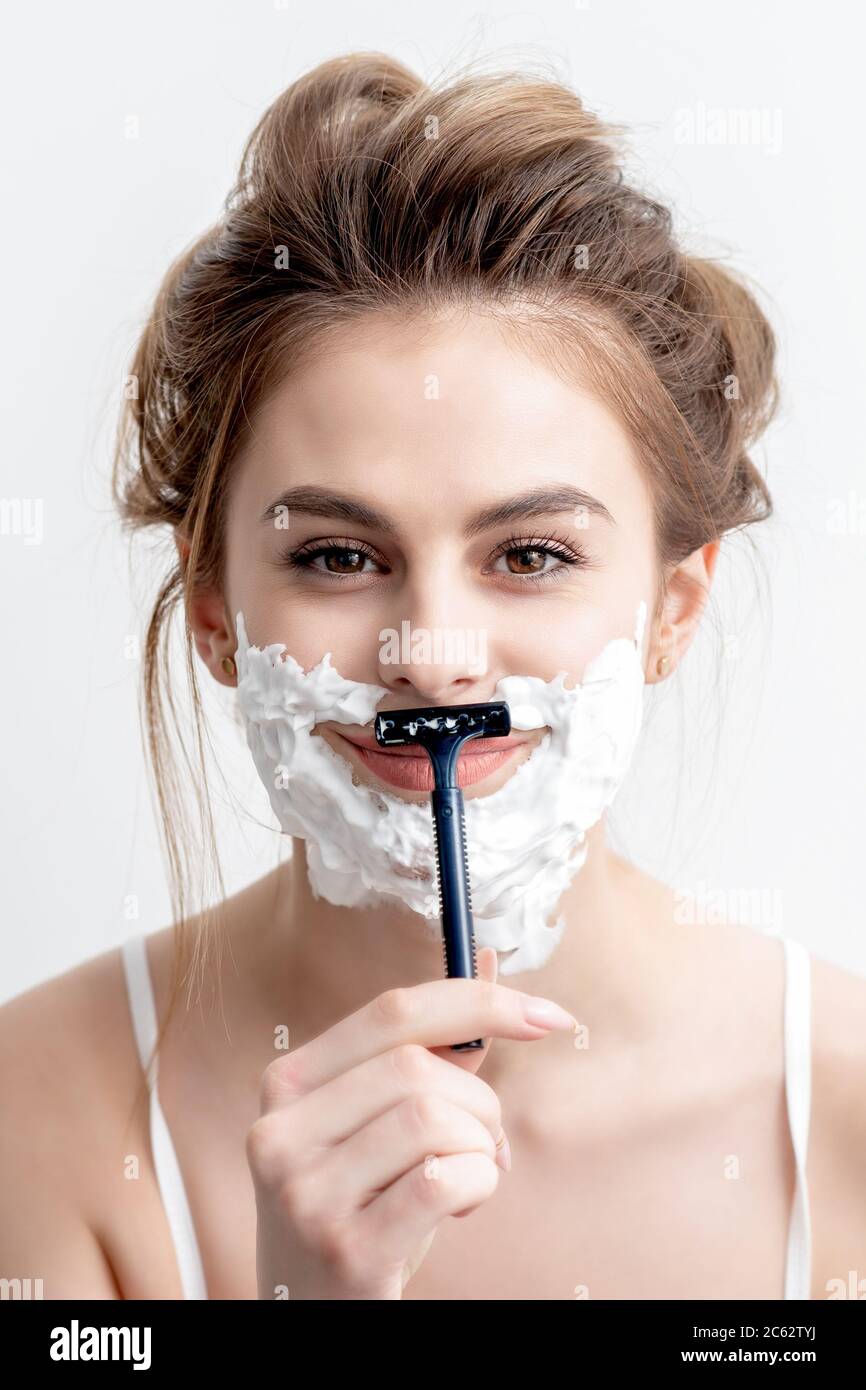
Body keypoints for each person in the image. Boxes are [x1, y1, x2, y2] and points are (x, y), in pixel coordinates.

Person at [2, 52, 864, 1302]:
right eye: (339, 555)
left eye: (529, 553)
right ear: (212, 611)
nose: (430, 653)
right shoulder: (36, 1120)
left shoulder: (843, 1117)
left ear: (671, 607)